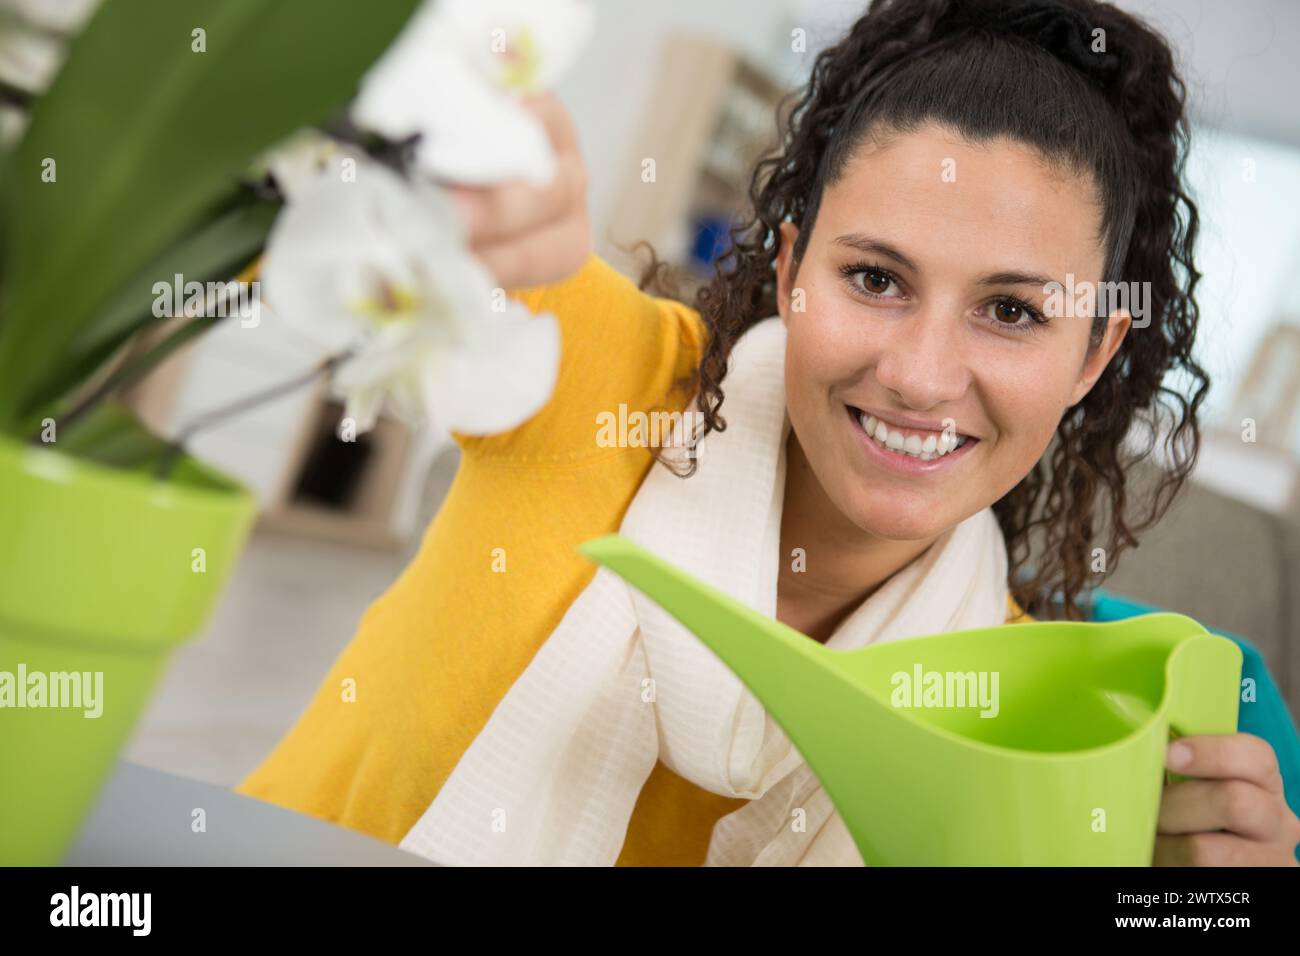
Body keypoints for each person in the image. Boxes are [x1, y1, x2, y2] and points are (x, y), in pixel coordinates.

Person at [237, 0, 1300, 866]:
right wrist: (425, 181)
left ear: (1094, 354)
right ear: (790, 271)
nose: (921, 376)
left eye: (1012, 310)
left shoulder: (1027, 726)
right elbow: (235, 196)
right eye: (874, 277)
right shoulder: (609, 384)